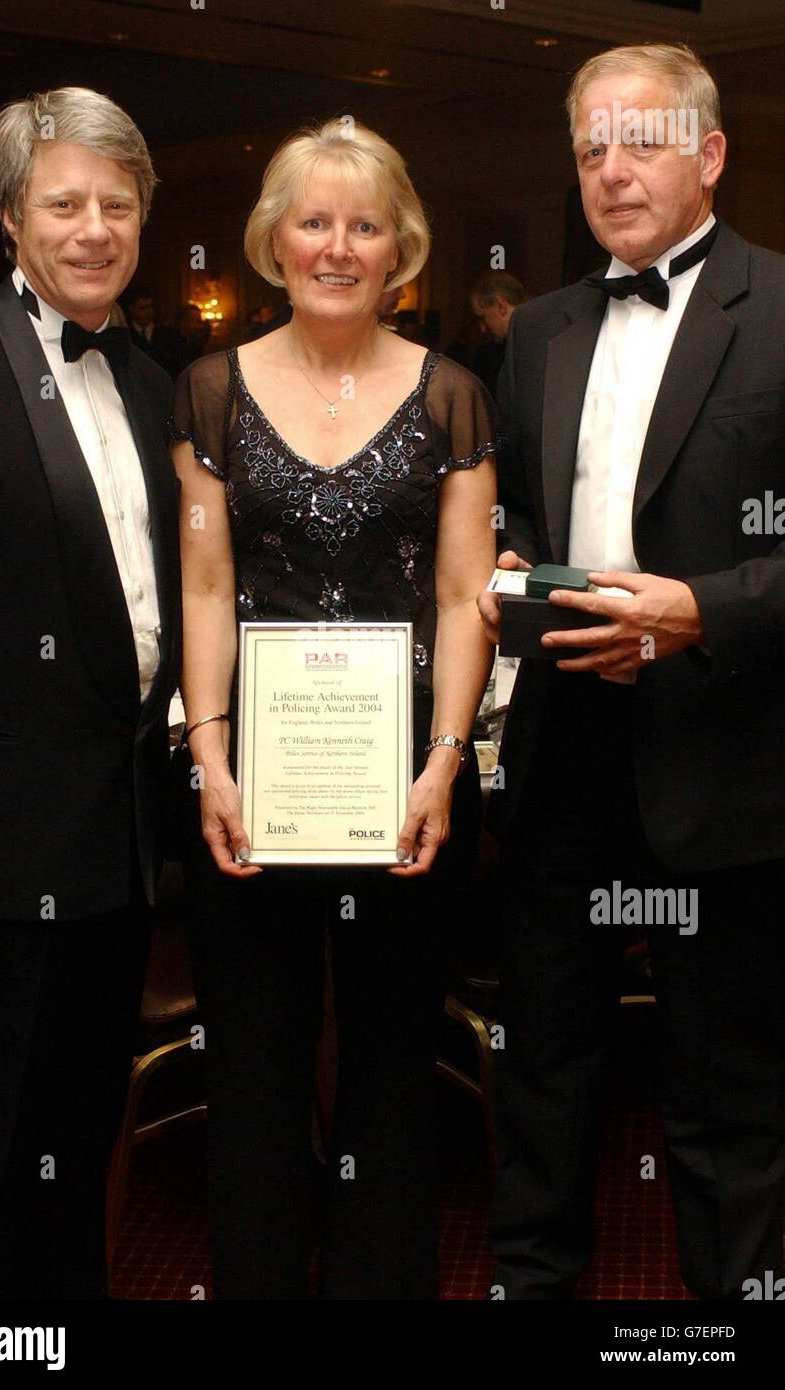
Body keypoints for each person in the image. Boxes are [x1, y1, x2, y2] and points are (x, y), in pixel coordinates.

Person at [477, 42, 785, 1300]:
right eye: (591, 144)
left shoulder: (779, 308)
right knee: (544, 1082)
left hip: (725, 761)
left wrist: (702, 611)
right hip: (563, 760)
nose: (611, 167)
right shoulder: (542, 327)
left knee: (726, 1105)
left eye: (641, 138)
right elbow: (517, 528)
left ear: (709, 153)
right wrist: (507, 564)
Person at [170, 117, 497, 1299]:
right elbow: (205, 582)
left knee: (387, 1072)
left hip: (402, 787)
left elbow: (464, 594)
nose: (337, 245)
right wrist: (207, 754)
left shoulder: (453, 394)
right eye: (314, 220)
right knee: (252, 1070)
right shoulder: (208, 391)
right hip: (249, 787)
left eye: (364, 224)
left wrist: (445, 764)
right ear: (274, 238)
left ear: (400, 244)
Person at [0, 86, 181, 1299]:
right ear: (11, 216)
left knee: (74, 1151)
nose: (93, 229)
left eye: (116, 204)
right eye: (63, 202)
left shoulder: (151, 381)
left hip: (118, 849)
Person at [152, 302, 211, 379]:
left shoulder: (195, 343)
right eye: (197, 321)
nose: (200, 326)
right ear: (185, 321)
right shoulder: (168, 346)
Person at [125, 285, 157, 353]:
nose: (148, 312)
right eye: (143, 308)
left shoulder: (167, 334)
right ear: (131, 309)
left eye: (150, 307)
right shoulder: (126, 336)